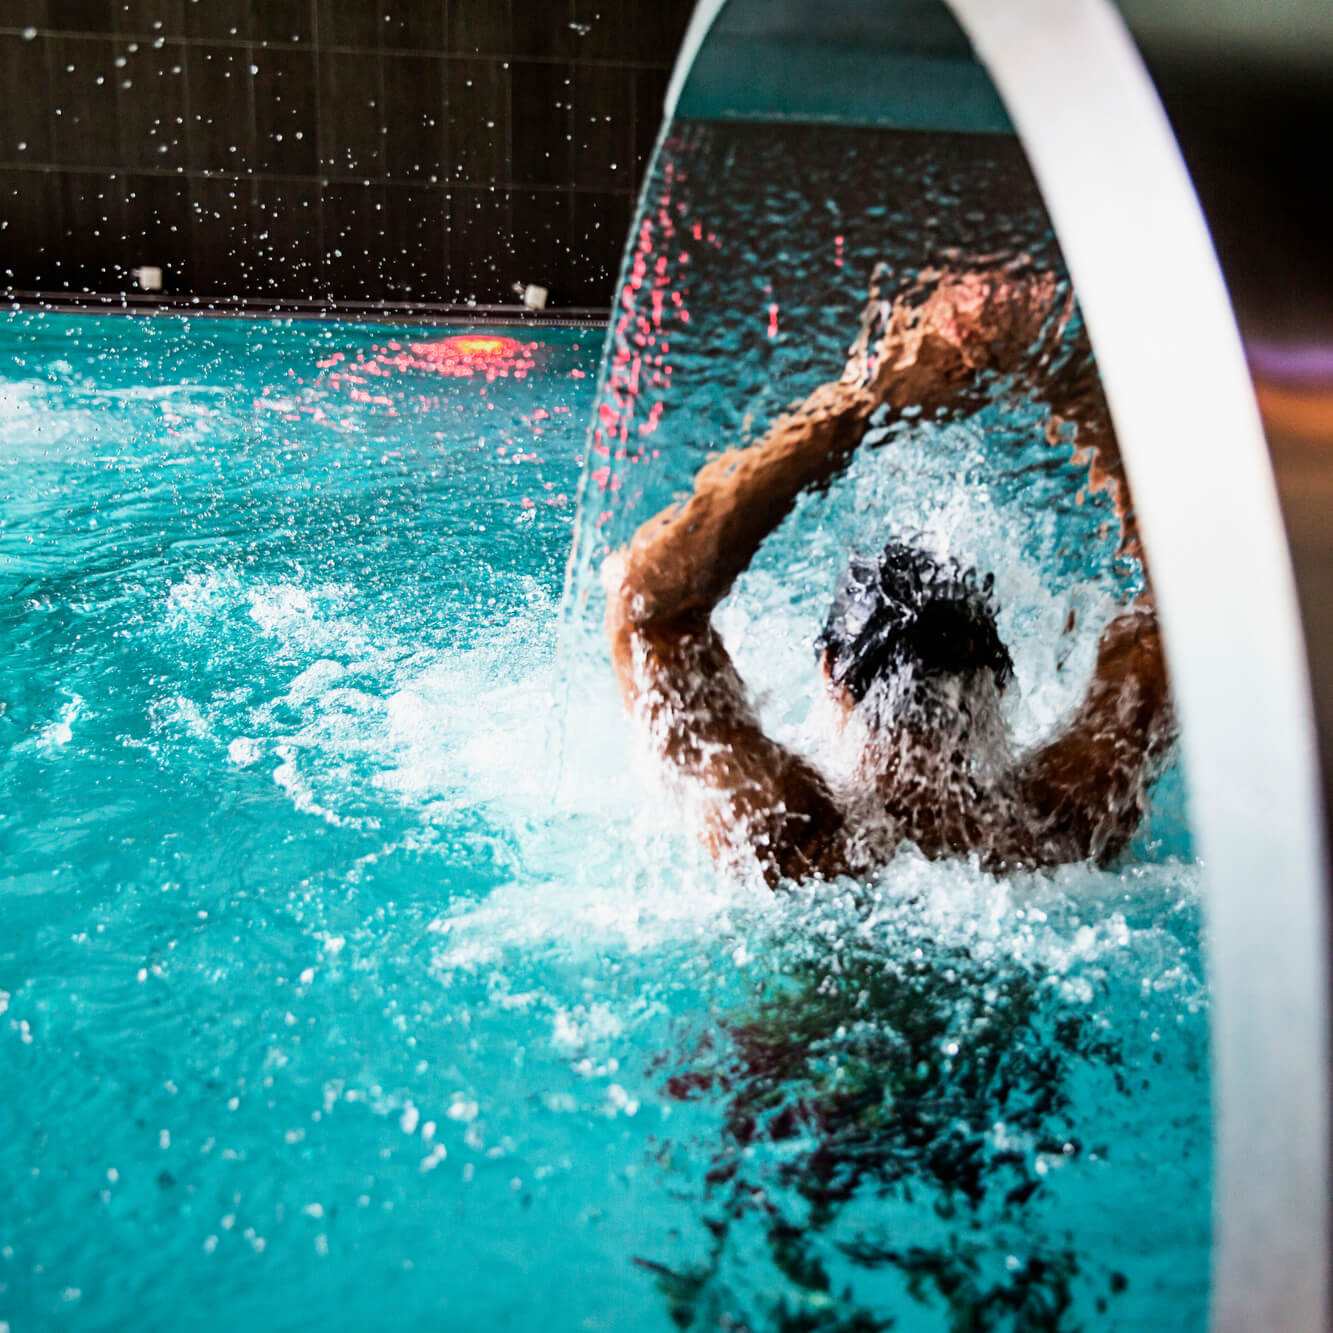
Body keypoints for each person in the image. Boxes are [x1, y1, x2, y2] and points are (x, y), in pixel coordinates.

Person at [603, 262, 1174, 886]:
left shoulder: (793, 840)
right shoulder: (1062, 827)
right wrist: (1065, 381)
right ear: (993, 680)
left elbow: (650, 609)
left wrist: (863, 399)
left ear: (832, 676)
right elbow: (1174, 617)